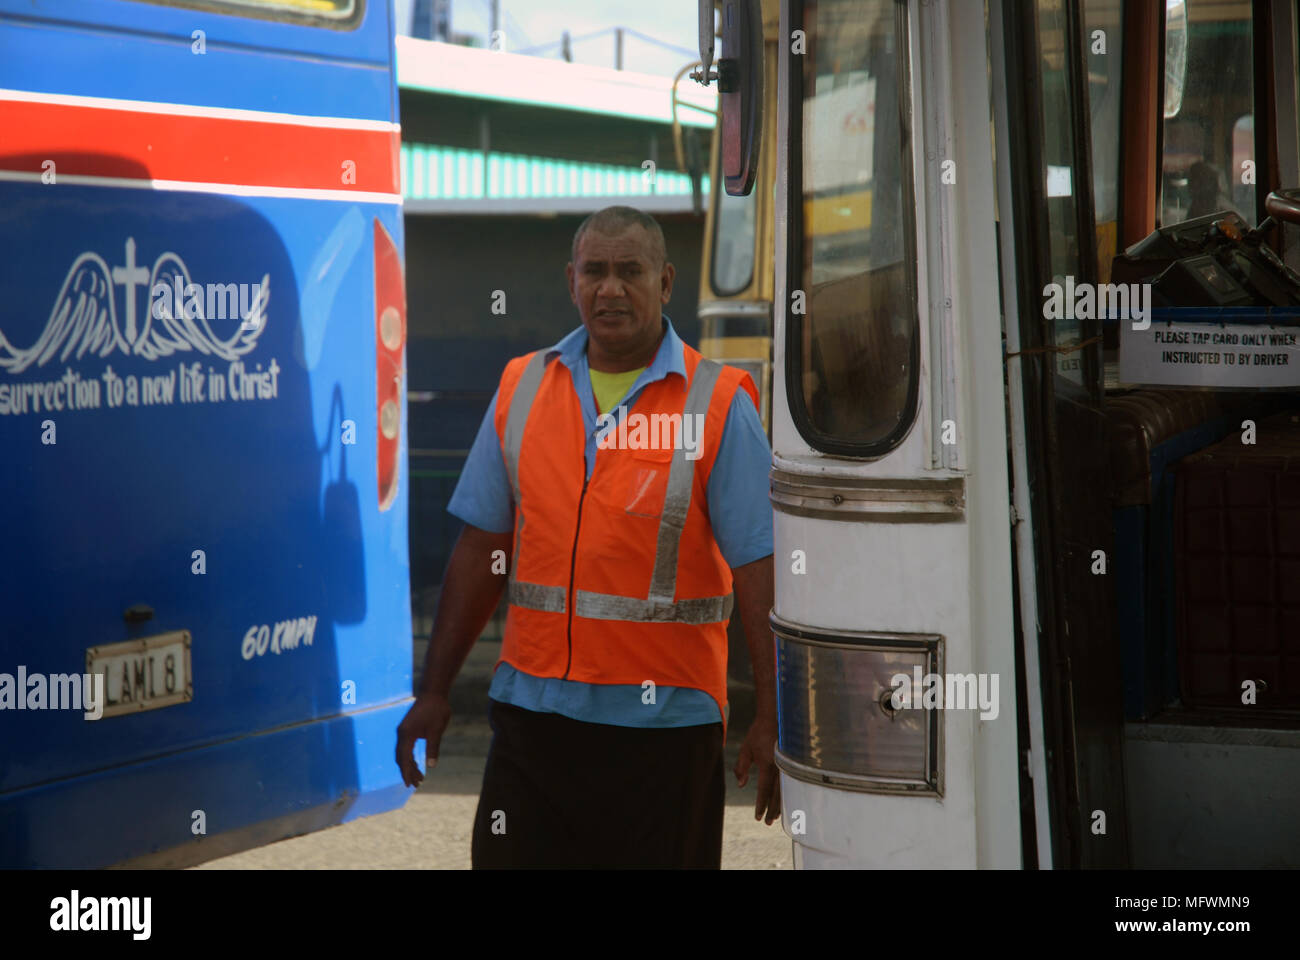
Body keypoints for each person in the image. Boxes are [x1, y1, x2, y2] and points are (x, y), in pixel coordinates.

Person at [395, 205, 779, 868]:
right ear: (571, 280)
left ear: (665, 282)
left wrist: (774, 717)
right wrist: (434, 690)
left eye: (630, 271)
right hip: (531, 723)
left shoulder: (716, 403)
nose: (611, 288)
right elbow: (480, 549)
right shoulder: (523, 387)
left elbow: (761, 569)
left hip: (663, 732)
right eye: (595, 271)